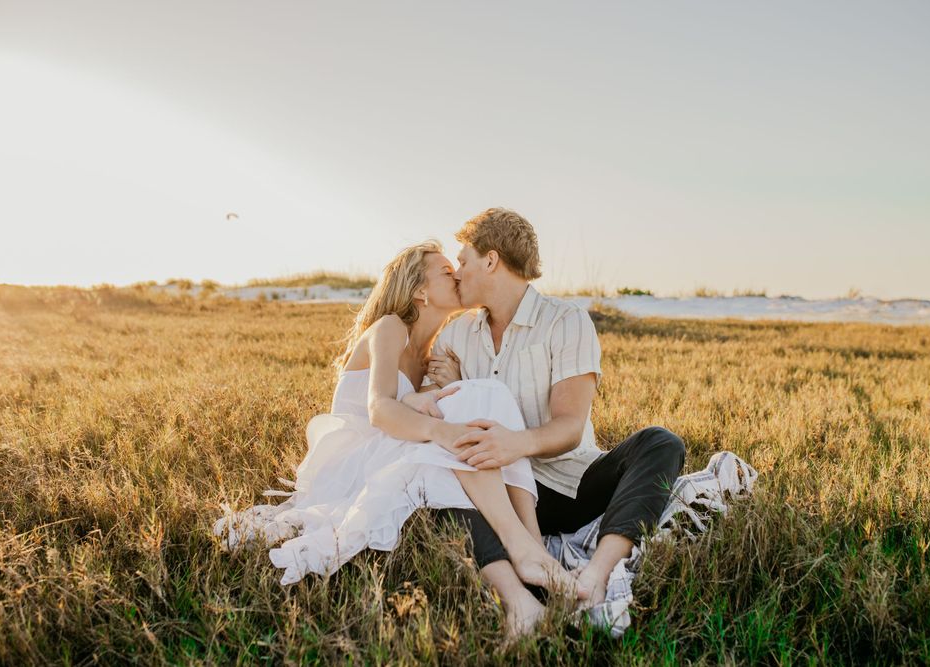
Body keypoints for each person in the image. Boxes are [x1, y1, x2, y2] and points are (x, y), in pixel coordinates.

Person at [213, 240, 583, 638]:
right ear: (419, 290)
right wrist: (444, 428)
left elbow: (430, 412)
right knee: (458, 434)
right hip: (354, 462)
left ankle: (522, 597)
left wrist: (448, 392)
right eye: (446, 270)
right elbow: (380, 411)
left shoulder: (432, 355)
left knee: (470, 428)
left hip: (391, 453)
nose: (457, 274)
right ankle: (527, 548)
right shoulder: (390, 327)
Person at [413, 208, 686, 612]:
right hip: (501, 492)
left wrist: (515, 444)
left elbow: (570, 427)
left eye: (464, 261)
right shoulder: (456, 334)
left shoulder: (565, 321)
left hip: (570, 484)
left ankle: (598, 572)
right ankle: (527, 588)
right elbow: (429, 412)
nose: (457, 273)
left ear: (491, 261)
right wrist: (455, 385)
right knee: (436, 487)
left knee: (660, 443)